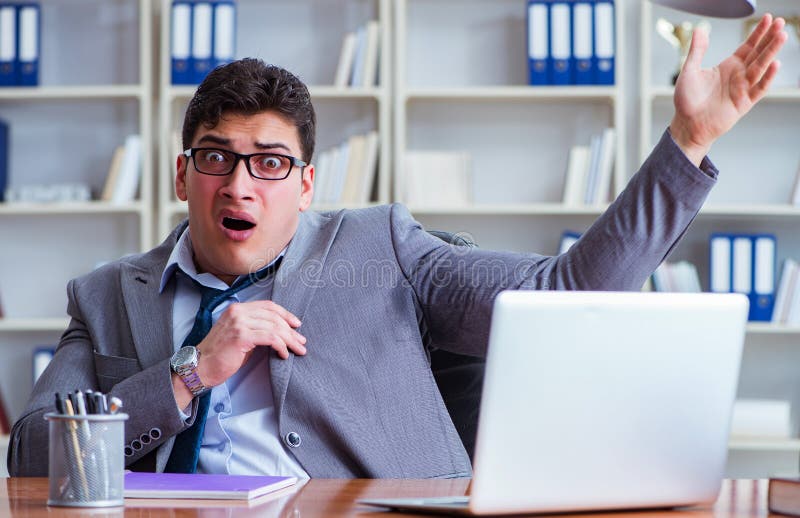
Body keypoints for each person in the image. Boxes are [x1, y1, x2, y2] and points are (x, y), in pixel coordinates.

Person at [8, 15, 787, 478]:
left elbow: (570, 293)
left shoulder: (381, 249)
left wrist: (688, 142)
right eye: (217, 158)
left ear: (307, 185)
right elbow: (32, 457)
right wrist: (188, 374)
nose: (240, 186)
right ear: (183, 175)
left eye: (270, 164)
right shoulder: (110, 294)